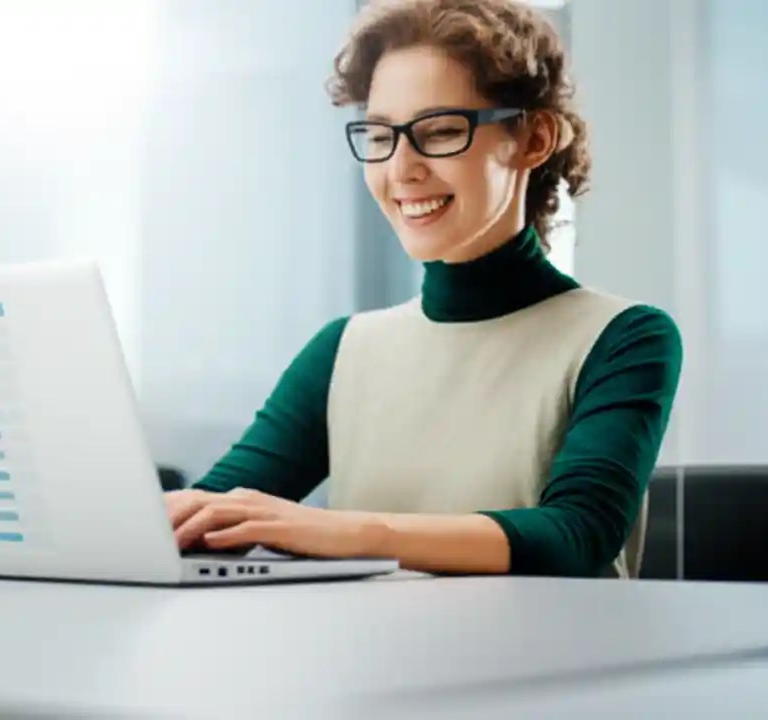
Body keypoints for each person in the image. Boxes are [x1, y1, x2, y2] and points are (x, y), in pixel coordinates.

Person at [165, 0, 682, 578]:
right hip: (372, 665)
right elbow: (214, 514)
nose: (401, 168)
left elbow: (577, 534)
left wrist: (345, 531)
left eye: (438, 132)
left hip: (548, 661)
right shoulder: (344, 350)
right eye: (381, 135)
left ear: (534, 140)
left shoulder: (624, 338)